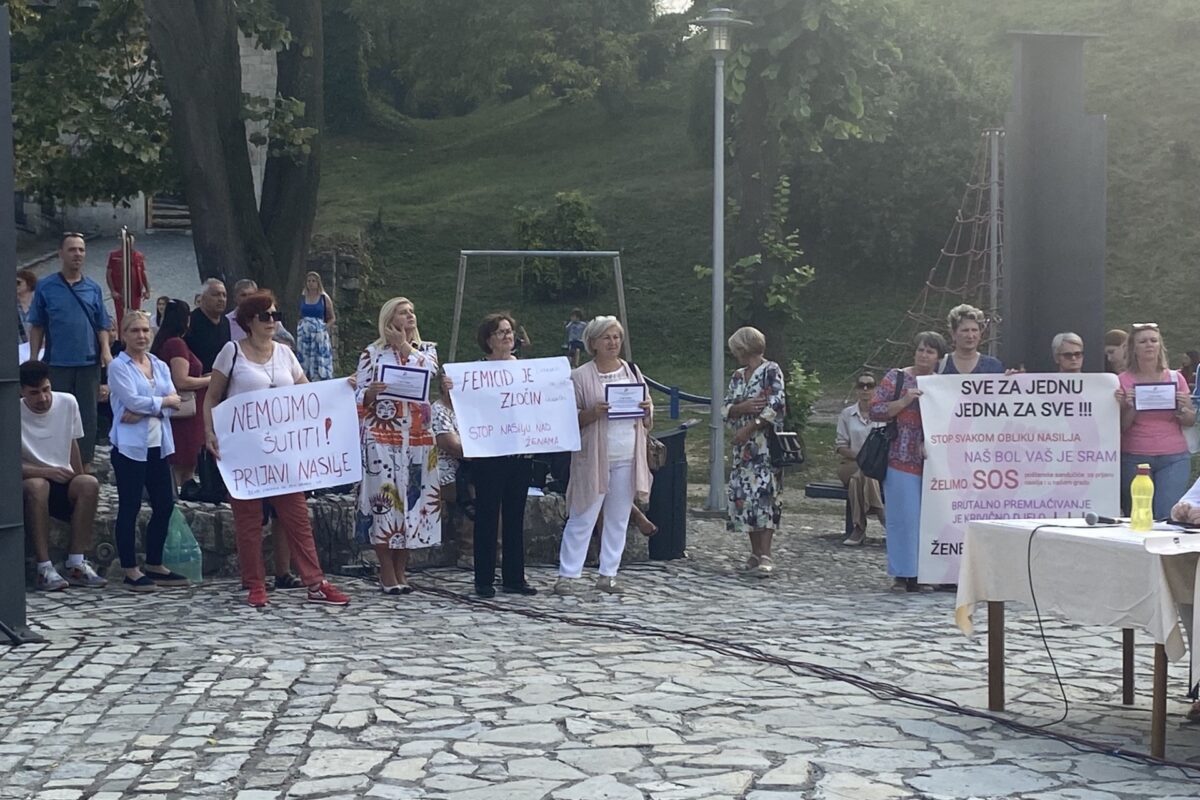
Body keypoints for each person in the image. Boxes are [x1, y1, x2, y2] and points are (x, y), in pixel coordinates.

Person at [203, 290, 350, 608]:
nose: (272, 321)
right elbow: (212, 396)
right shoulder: (232, 352)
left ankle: (315, 581)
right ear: (249, 321)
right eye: (265, 316)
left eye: (275, 315)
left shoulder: (285, 353)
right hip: (245, 451)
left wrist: (341, 390)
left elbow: (307, 393)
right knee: (248, 520)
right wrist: (209, 431)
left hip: (283, 452)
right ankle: (255, 583)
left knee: (297, 516)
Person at [554, 316, 653, 596]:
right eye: (607, 337)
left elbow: (647, 410)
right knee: (583, 514)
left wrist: (647, 409)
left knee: (618, 517)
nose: (613, 342)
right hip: (594, 456)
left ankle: (608, 573)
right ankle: (568, 574)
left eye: (616, 337)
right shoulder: (581, 376)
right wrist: (591, 413)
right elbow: (568, 417)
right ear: (593, 342)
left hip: (627, 454)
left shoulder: (632, 371)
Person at [355, 297, 441, 595]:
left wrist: (404, 346)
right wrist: (370, 394)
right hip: (382, 437)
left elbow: (431, 371)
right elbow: (357, 395)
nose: (410, 316)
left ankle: (402, 567)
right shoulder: (372, 353)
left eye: (412, 311)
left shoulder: (426, 350)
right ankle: (386, 569)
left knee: (413, 504)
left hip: (417, 438)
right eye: (403, 312)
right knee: (385, 503)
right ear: (389, 318)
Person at [452, 313, 537, 598]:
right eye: (501, 332)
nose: (507, 336)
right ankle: (484, 578)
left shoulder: (525, 370)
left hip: (519, 451)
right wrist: (452, 387)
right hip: (489, 453)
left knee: (515, 515)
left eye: (509, 331)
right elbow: (466, 403)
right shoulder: (477, 372)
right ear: (488, 339)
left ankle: (514, 577)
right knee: (488, 515)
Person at [108, 311, 189, 592]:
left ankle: (155, 562)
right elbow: (132, 400)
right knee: (130, 506)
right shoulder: (119, 366)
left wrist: (148, 408)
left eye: (145, 330)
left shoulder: (159, 365)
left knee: (165, 504)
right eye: (135, 331)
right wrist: (160, 403)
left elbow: (175, 400)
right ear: (124, 335)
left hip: (159, 444)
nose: (141, 336)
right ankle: (130, 569)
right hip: (130, 447)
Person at [27, 233, 113, 471]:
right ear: (61, 254)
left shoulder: (93, 288)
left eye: (81, 250)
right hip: (57, 362)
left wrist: (106, 352)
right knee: (55, 413)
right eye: (73, 249)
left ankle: (84, 465)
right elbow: (37, 325)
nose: (78, 254)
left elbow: (102, 325)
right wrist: (33, 359)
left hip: (88, 363)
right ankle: (56, 462)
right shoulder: (46, 287)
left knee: (87, 416)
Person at [19, 360, 106, 591]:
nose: (43, 398)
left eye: (46, 389)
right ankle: (44, 567)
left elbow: (71, 442)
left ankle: (76, 562)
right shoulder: (12, 411)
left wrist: (77, 476)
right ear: (22, 391)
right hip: (32, 481)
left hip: (61, 479)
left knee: (88, 483)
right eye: (34, 393)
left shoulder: (67, 402)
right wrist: (47, 471)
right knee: (38, 486)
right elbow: (9, 465)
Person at [872, 331, 948, 593]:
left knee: (928, 520)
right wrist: (904, 401)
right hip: (900, 456)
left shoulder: (942, 384)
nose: (924, 355)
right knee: (901, 518)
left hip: (932, 461)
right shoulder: (896, 378)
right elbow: (875, 410)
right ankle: (902, 573)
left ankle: (923, 573)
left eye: (930, 351)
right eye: (921, 350)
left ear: (939, 357)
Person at [723, 326, 787, 577]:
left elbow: (776, 404)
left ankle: (766, 554)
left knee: (764, 497)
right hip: (743, 450)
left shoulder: (771, 370)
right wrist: (743, 407)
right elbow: (726, 407)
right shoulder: (738, 376)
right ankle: (754, 552)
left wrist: (750, 427)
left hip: (764, 448)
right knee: (745, 498)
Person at [1114, 322, 1196, 519]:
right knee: (1139, 516)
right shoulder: (1121, 381)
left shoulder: (1176, 378)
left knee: (1166, 516)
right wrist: (1130, 406)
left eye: (1153, 340)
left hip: (1174, 457)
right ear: (1134, 348)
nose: (1149, 345)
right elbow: (1121, 427)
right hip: (1134, 456)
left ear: (1160, 346)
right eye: (1143, 341)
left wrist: (1183, 408)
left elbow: (1189, 421)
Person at [151, 300, 210, 491]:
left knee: (184, 466)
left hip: (183, 413)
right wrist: (210, 380)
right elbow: (181, 380)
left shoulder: (163, 342)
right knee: (182, 465)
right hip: (186, 414)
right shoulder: (177, 344)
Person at [836, 374, 885, 546]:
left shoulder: (883, 414)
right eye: (861, 385)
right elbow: (840, 446)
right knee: (861, 473)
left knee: (859, 478)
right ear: (856, 389)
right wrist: (861, 456)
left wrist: (870, 460)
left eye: (869, 385)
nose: (865, 389)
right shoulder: (847, 414)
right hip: (851, 462)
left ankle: (859, 527)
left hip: (876, 466)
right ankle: (881, 513)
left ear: (876, 389)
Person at [432, 381, 475, 569]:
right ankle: (469, 552)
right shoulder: (438, 411)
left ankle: (496, 550)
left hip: (470, 468)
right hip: (443, 471)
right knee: (476, 492)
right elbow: (452, 446)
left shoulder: (468, 409)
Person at [939, 304, 1003, 374]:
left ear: (980, 333)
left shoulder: (993, 366)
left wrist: (1010, 377)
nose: (970, 336)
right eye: (965, 330)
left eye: (974, 330)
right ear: (953, 333)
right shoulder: (939, 365)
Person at [185, 278, 230, 374]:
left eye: (224, 295)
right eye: (216, 295)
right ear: (202, 298)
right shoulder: (189, 321)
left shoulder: (226, 322)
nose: (221, 299)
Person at [105, 236, 151, 331]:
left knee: (135, 315)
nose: (128, 245)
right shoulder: (114, 256)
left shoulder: (138, 256)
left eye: (130, 242)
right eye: (125, 243)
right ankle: (122, 336)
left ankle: (134, 333)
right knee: (121, 315)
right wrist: (113, 291)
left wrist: (147, 290)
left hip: (135, 291)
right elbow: (109, 273)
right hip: (120, 291)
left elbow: (143, 273)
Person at [297, 271, 336, 381]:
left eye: (313, 281)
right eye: (309, 281)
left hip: (318, 334)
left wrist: (324, 328)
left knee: (318, 359)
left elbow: (332, 318)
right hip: (304, 335)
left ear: (318, 283)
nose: (311, 283)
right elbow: (300, 314)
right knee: (304, 359)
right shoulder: (303, 297)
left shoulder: (324, 298)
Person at [16, 269, 37, 345]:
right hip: (21, 346)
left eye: (18, 283)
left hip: (41, 345)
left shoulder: (40, 302)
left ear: (29, 283)